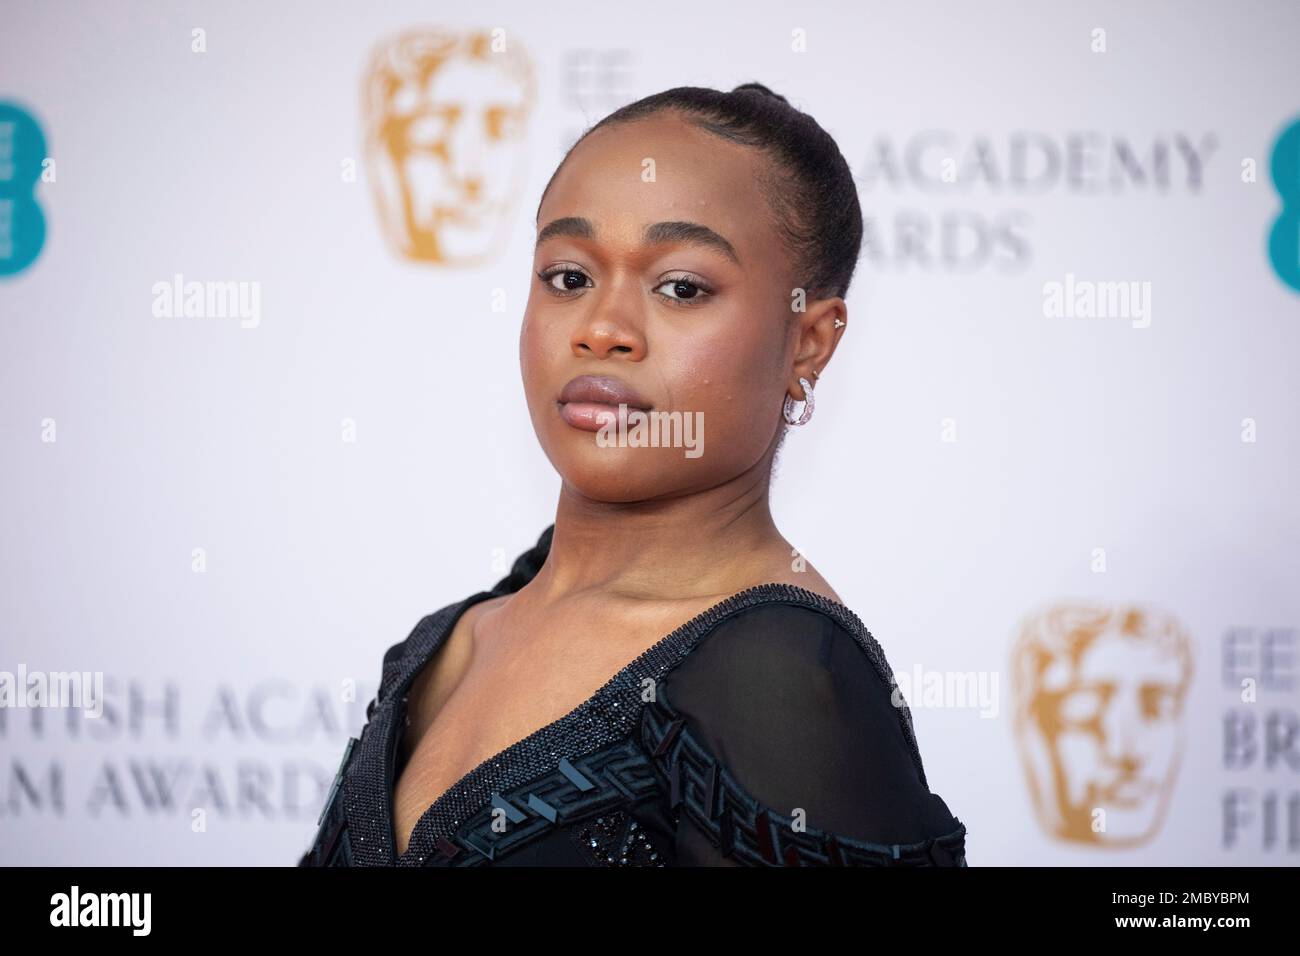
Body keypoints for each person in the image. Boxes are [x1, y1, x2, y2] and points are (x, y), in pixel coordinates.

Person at [299, 82, 968, 867]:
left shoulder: (782, 679)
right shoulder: (445, 643)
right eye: (569, 277)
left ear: (809, 343)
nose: (603, 330)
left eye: (680, 287)